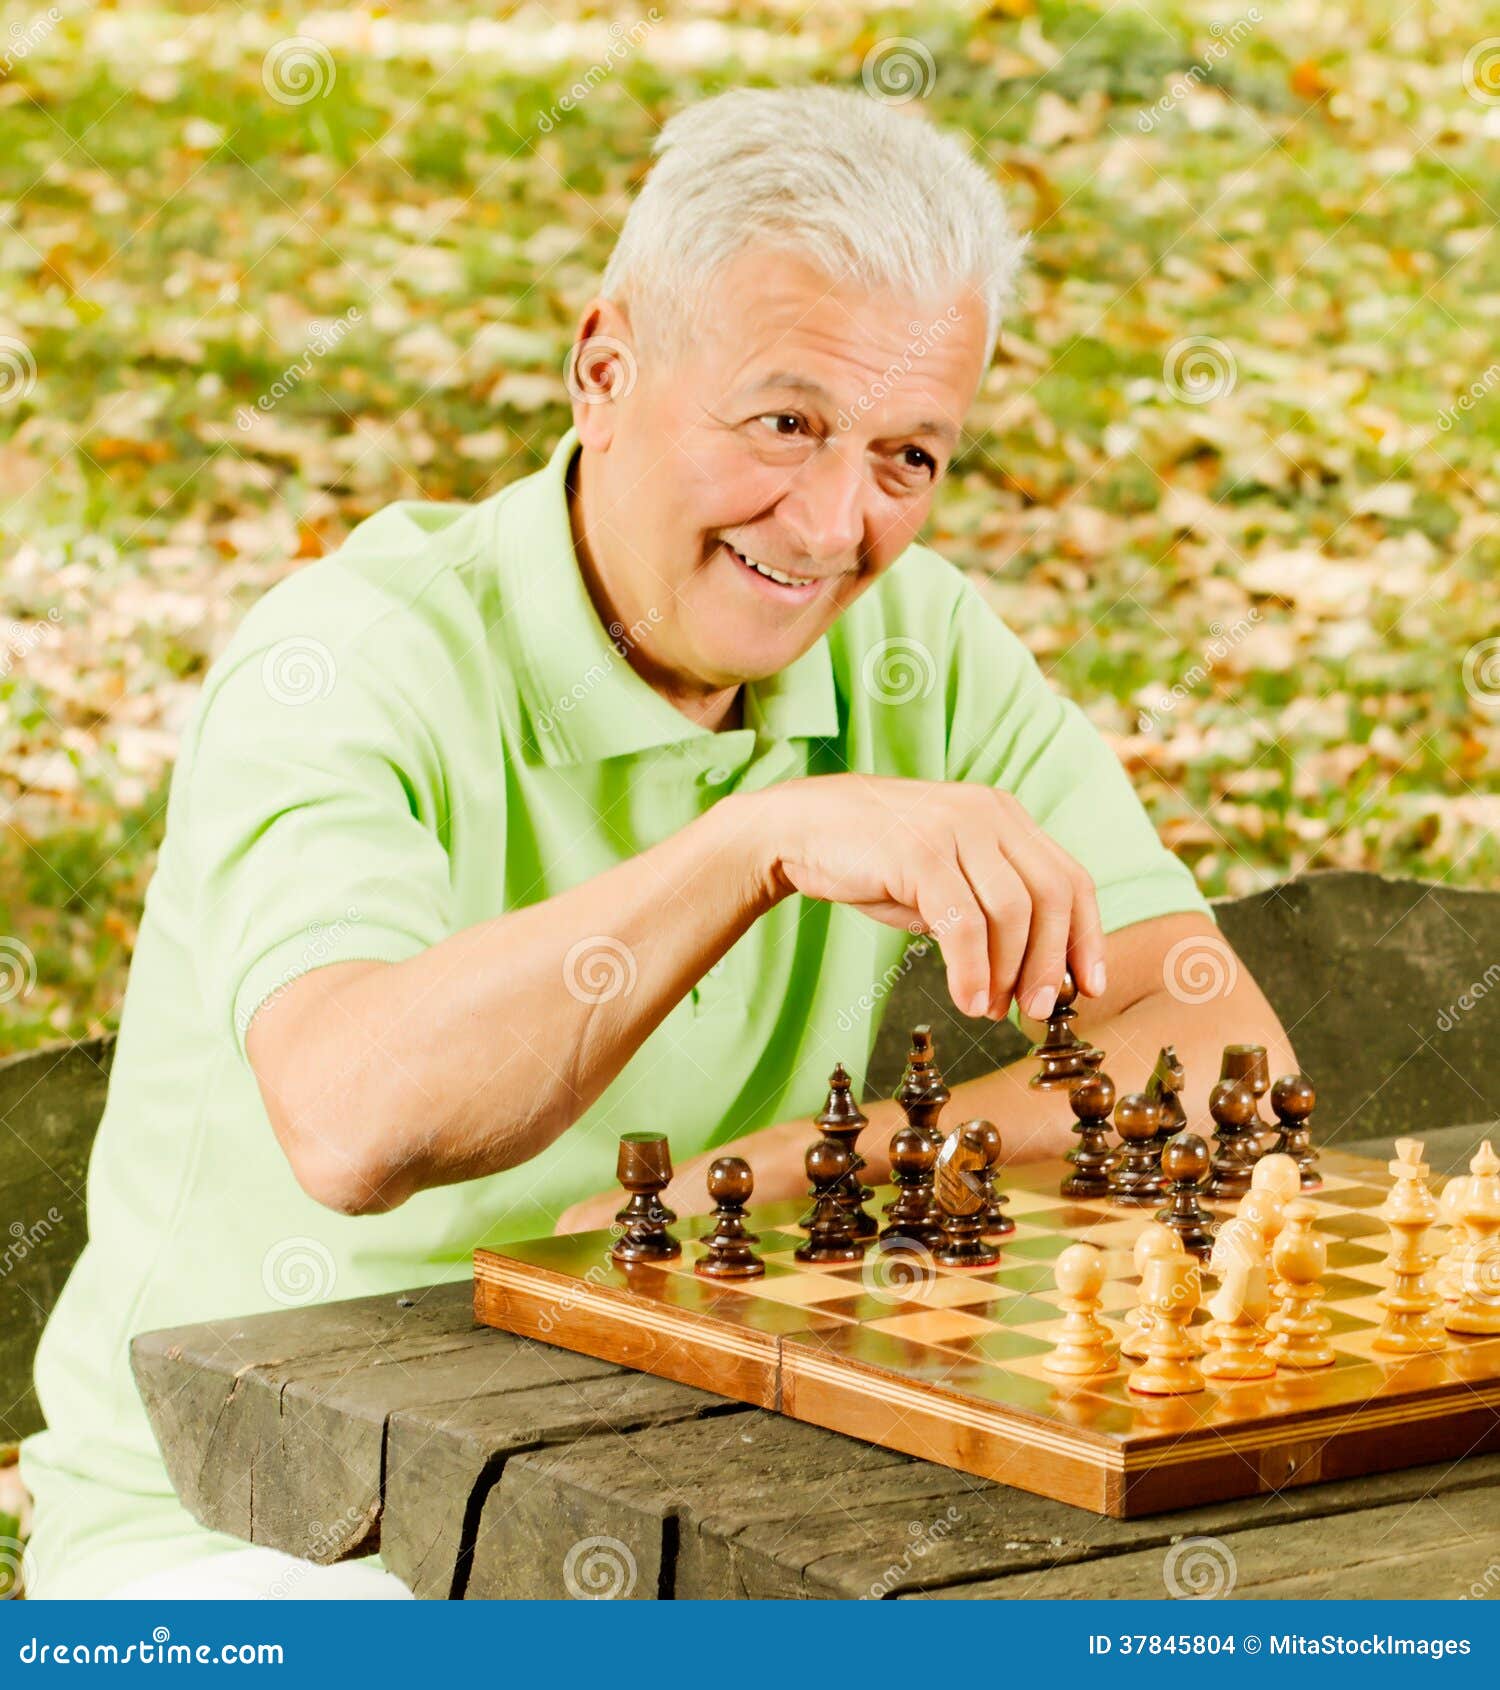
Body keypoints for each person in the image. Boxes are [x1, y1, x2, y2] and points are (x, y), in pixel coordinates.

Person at [21, 84, 1291, 1600]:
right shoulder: (353, 656)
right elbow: (351, 1120)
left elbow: (1226, 1054)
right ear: (603, 367)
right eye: (786, 422)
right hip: (262, 1521)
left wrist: (799, 1169)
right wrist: (758, 838)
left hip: (679, 1469)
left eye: (909, 457)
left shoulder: (919, 648)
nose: (833, 526)